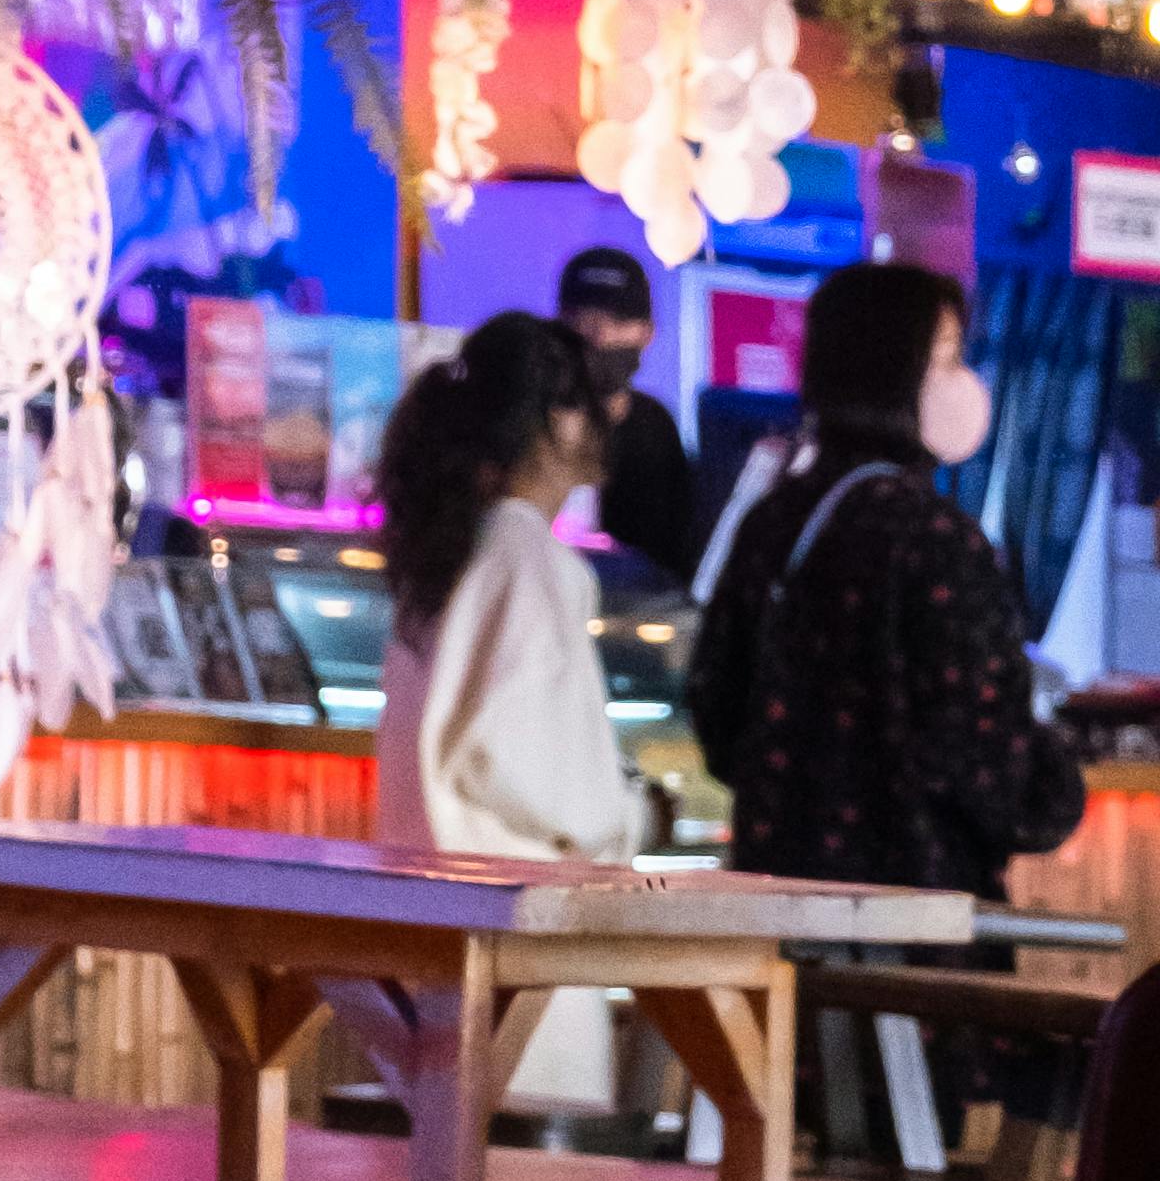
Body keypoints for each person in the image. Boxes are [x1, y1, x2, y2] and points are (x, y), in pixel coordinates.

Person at [688, 260, 1087, 897]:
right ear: (890, 371)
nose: (965, 382)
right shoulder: (936, 540)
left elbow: (717, 712)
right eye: (949, 358)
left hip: (778, 907)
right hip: (916, 922)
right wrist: (1058, 778)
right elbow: (991, 765)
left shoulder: (772, 521)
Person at [375, 310, 636, 1100]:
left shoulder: (452, 551)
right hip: (520, 936)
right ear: (558, 419)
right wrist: (624, 816)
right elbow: (532, 761)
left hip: (434, 929)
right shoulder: (528, 559)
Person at [559, 236, 703, 584]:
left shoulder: (654, 428)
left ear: (647, 332)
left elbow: (674, 551)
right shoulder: (531, 417)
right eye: (585, 319)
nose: (601, 336)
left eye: (619, 320)